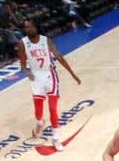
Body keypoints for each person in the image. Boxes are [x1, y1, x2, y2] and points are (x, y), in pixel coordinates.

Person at [17, 19, 81, 151]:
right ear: (25, 30)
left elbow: (59, 56)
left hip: (50, 75)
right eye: (27, 27)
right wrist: (29, 76)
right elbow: (23, 65)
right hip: (36, 77)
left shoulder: (46, 40)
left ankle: (55, 137)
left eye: (31, 26)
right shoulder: (22, 44)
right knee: (38, 111)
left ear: (35, 27)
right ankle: (39, 123)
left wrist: (72, 74)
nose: (30, 29)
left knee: (52, 108)